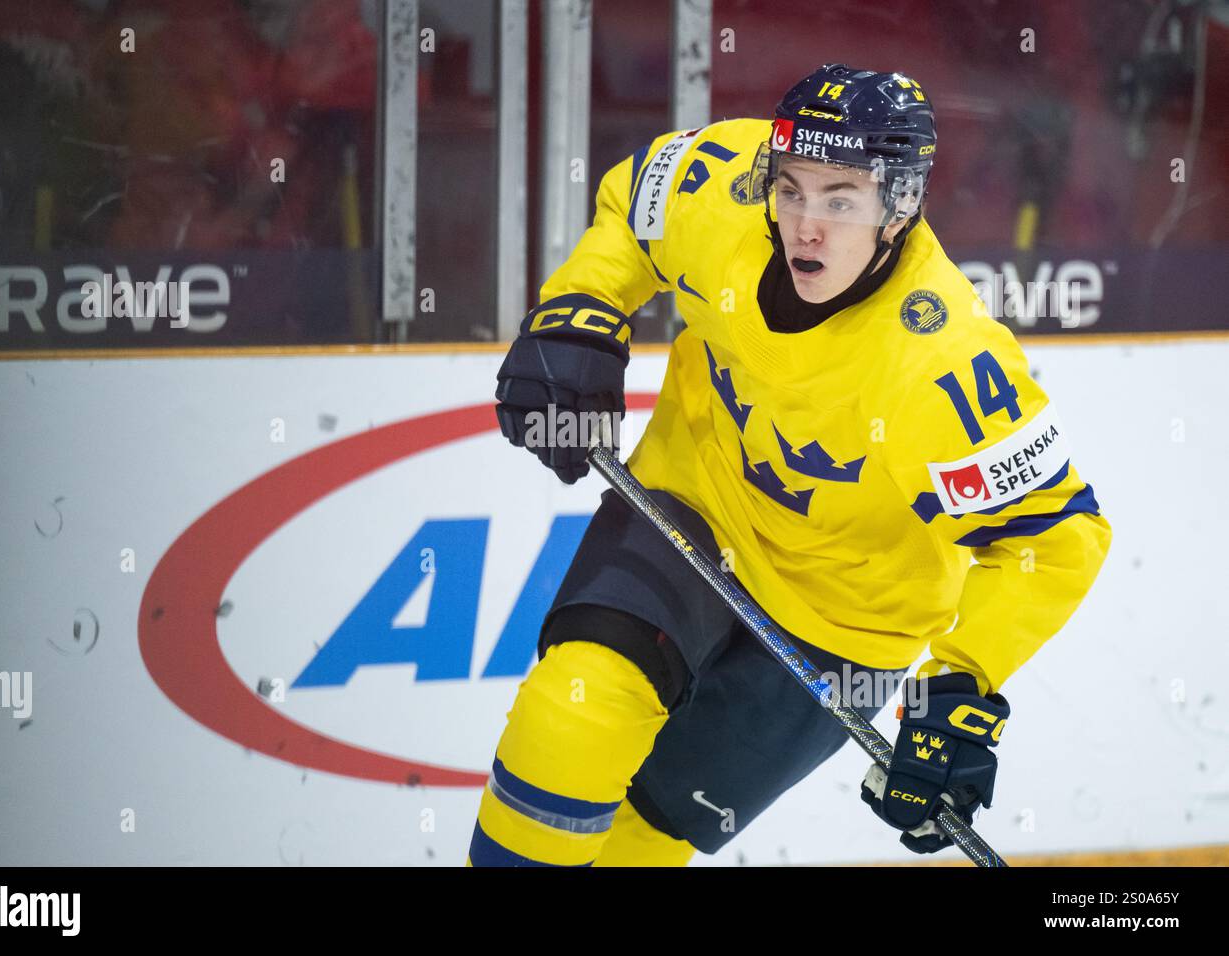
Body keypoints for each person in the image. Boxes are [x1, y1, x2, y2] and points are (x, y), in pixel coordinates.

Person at [470, 64, 1111, 866]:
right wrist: (582, 306)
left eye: (841, 199)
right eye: (793, 189)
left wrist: (960, 690)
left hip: (846, 620)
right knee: (571, 718)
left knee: (644, 837)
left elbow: (1057, 539)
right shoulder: (727, 190)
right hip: (696, 505)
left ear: (898, 205)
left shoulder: (943, 362)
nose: (806, 224)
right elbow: (637, 201)